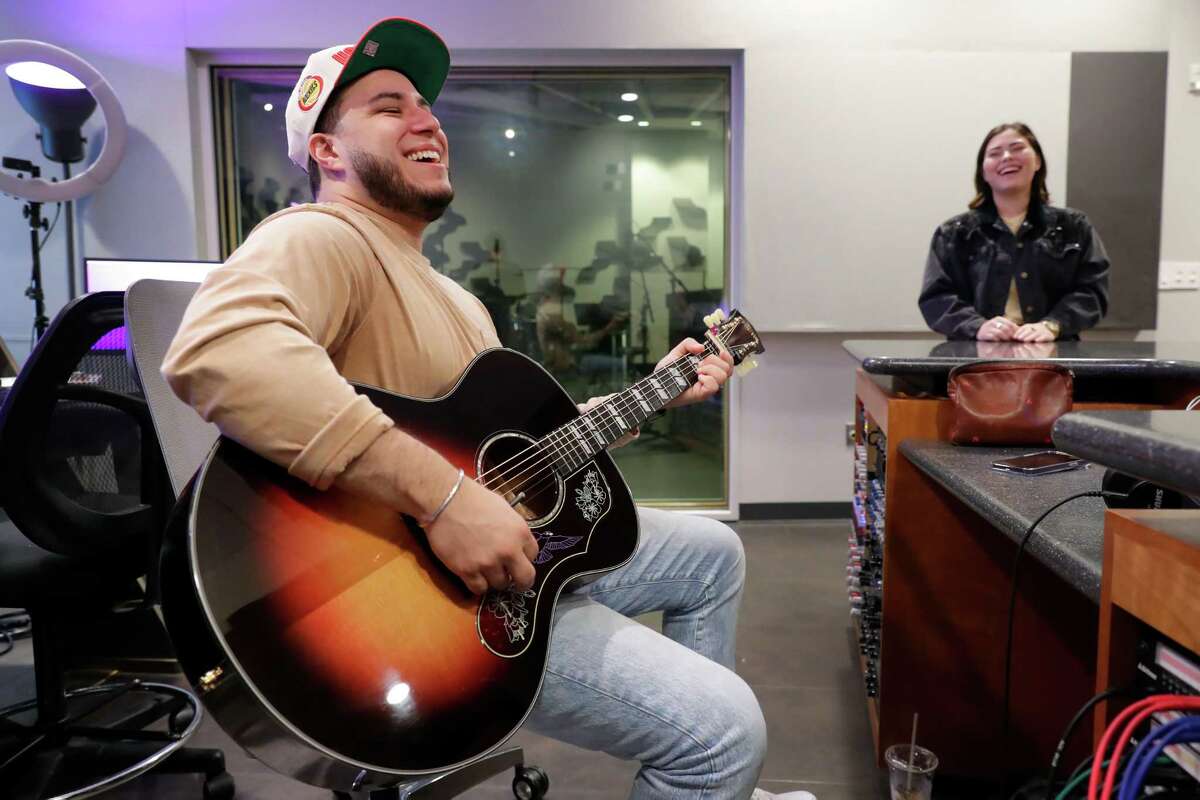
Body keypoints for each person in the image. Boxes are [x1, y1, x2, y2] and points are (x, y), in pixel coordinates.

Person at [162, 18, 810, 800]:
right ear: (327, 151)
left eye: (427, 106)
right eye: (388, 106)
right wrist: (442, 499)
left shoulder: (455, 298)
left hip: (509, 553)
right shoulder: (322, 237)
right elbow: (218, 352)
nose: (427, 119)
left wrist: (644, 395)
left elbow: (499, 449)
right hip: (428, 615)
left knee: (712, 554)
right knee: (728, 729)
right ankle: (710, 769)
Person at [918, 121, 1110, 342]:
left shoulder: (1074, 226)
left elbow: (1092, 292)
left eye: (1017, 148)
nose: (1007, 157)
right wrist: (977, 326)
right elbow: (936, 298)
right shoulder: (954, 233)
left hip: (1054, 355)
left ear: (1037, 161)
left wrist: (1052, 325)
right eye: (995, 153)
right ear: (984, 172)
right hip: (974, 356)